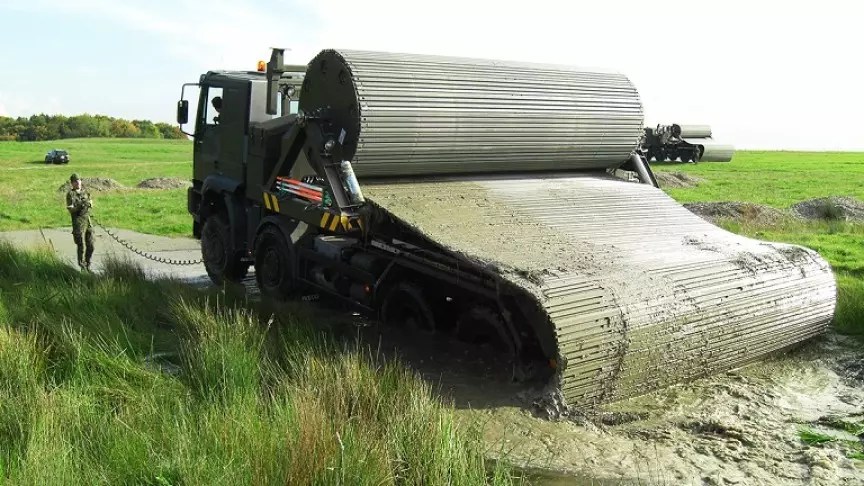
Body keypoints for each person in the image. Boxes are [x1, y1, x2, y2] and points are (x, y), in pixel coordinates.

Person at [65, 173, 94, 271]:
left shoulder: (85, 192)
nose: (78, 183)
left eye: (79, 181)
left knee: (91, 244)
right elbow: (70, 209)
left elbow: (91, 203)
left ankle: (87, 263)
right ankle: (82, 266)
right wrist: (80, 205)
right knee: (80, 244)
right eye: (76, 181)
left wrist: (89, 203)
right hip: (78, 221)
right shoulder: (70, 194)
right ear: (72, 183)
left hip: (88, 220)